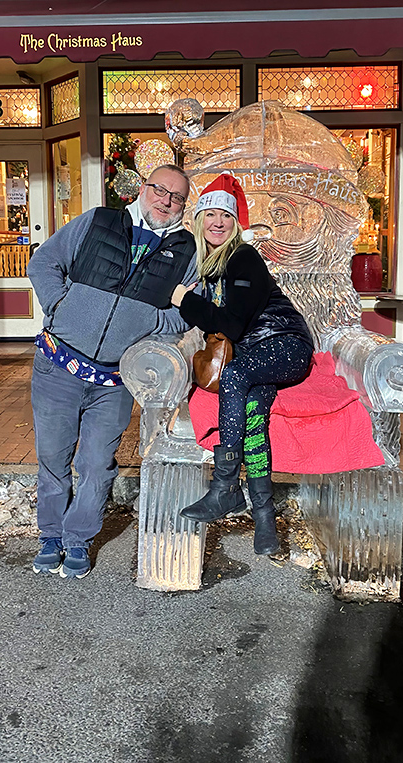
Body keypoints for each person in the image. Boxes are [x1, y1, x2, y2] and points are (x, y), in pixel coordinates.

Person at [27, 165, 196, 579]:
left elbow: (187, 312)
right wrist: (61, 305)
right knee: (53, 457)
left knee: (98, 462)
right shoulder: (100, 221)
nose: (166, 201)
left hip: (115, 381)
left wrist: (152, 325)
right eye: (160, 190)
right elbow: (43, 262)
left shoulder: (186, 251)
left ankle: (78, 539)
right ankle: (50, 534)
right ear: (144, 188)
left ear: (182, 206)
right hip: (58, 365)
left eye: (176, 197)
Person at [171, 174, 314, 556]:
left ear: (235, 224)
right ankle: (265, 518)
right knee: (253, 413)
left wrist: (182, 299)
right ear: (199, 220)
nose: (217, 222)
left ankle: (225, 488)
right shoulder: (211, 267)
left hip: (286, 345)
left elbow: (231, 324)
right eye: (210, 214)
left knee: (235, 374)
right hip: (256, 358)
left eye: (226, 216)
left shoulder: (242, 257)